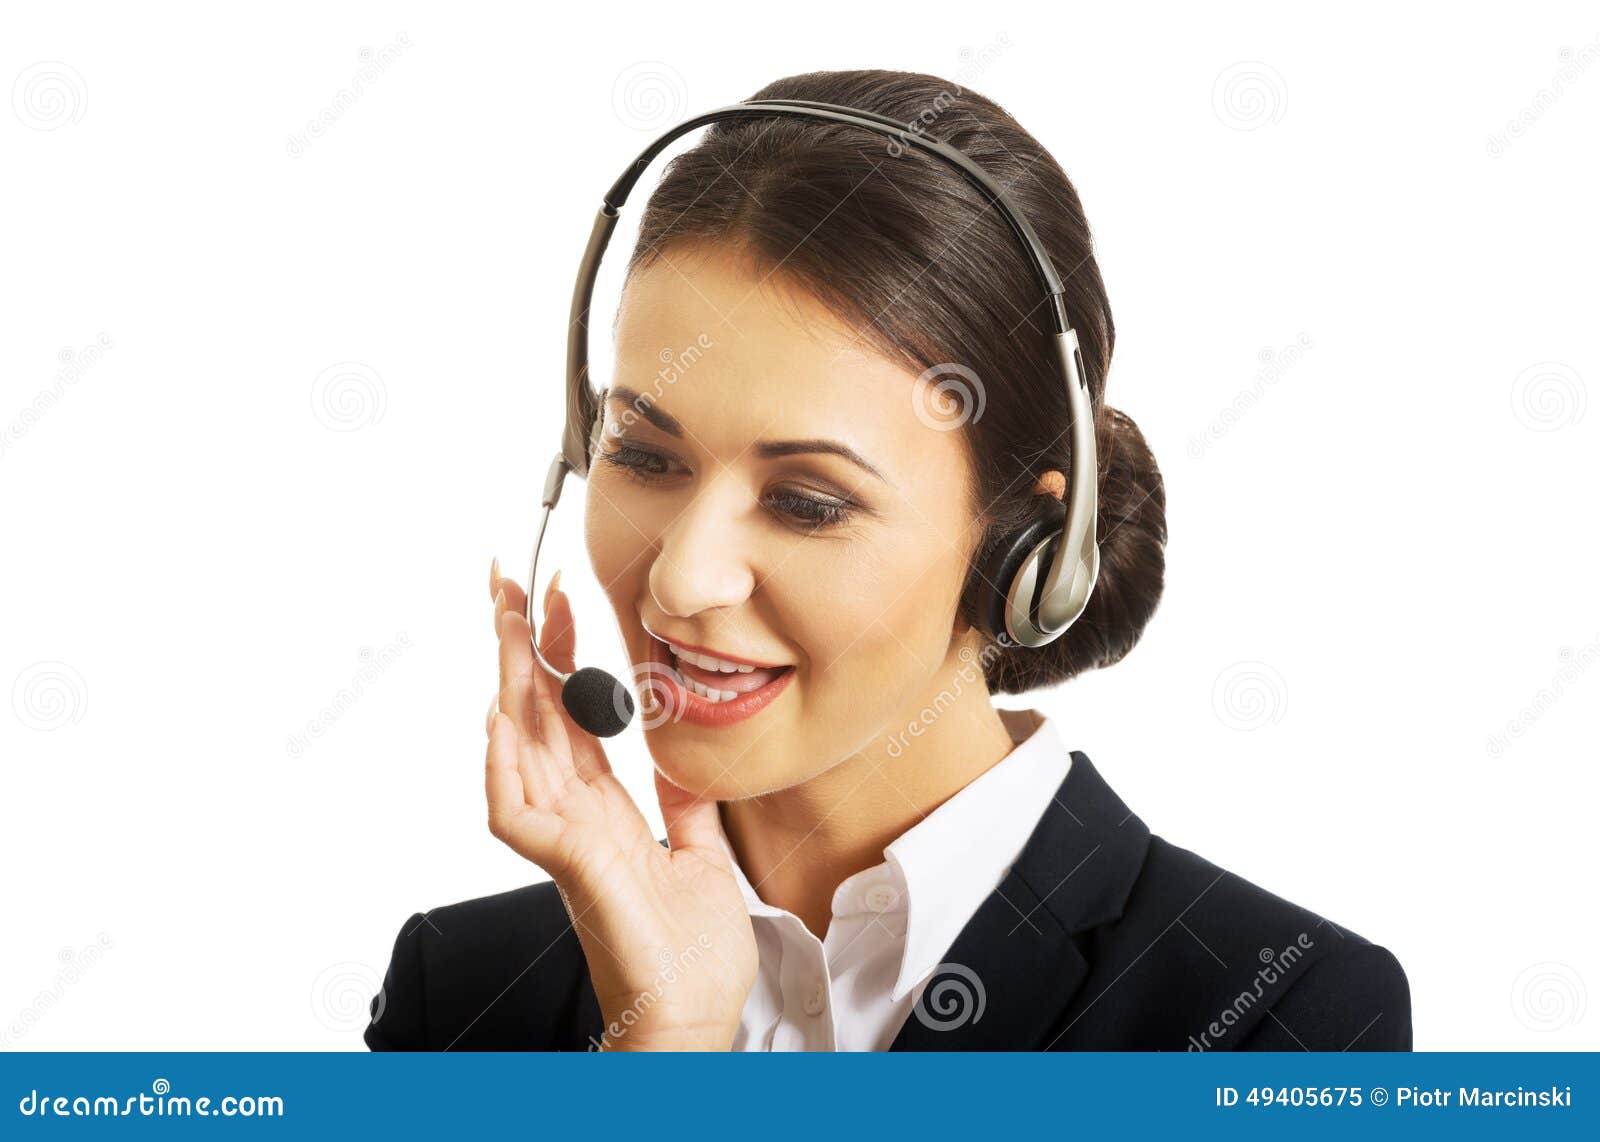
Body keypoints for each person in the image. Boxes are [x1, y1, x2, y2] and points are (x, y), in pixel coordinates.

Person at [364, 68, 1411, 1052]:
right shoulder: (459, 991)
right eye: (643, 454)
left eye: (806, 503)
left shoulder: (1281, 1010)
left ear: (1025, 549)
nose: (681, 579)